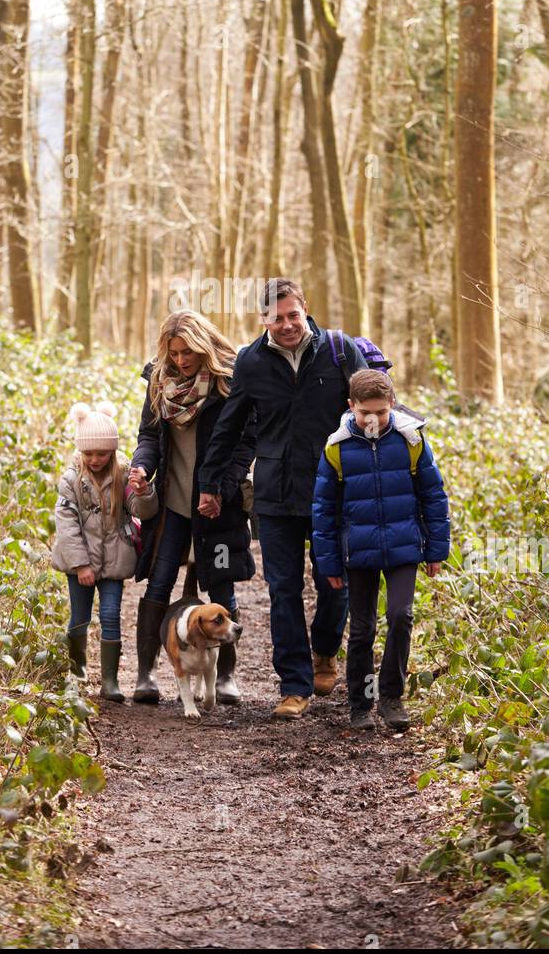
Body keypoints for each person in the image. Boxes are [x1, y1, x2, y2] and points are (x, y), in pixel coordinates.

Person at [197, 277, 367, 719]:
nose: (288, 324)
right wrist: (210, 483)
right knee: (283, 589)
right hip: (275, 493)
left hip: (334, 490)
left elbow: (374, 408)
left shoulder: (339, 350)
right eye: (277, 318)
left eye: (293, 315)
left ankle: (326, 649)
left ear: (305, 309)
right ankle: (294, 685)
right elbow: (230, 425)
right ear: (263, 320)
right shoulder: (251, 362)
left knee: (336, 580)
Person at [312, 368, 450, 731]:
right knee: (362, 628)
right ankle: (360, 703)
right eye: (364, 413)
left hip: (404, 545)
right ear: (350, 407)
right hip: (358, 551)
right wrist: (328, 562)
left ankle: (392, 696)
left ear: (392, 404)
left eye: (381, 412)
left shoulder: (411, 441)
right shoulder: (337, 447)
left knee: (401, 616)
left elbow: (433, 495)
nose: (373, 419)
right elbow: (324, 509)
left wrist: (436, 549)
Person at [129, 311, 256, 706]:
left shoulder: (230, 384)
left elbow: (245, 444)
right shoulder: (157, 382)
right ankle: (146, 673)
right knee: (158, 583)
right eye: (175, 353)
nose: (182, 361)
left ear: (204, 347)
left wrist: (222, 488)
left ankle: (225, 678)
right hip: (172, 505)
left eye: (189, 352)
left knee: (220, 585)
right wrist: (141, 466)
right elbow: (149, 437)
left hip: (217, 505)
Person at [51, 401, 159, 701]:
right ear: (80, 451)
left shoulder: (124, 475)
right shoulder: (72, 480)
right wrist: (80, 564)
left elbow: (142, 511)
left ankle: (110, 681)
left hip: (114, 558)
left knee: (111, 615)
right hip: (80, 564)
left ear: (112, 451)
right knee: (80, 617)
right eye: (89, 453)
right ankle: (77, 671)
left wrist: (144, 491)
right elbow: (67, 525)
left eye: (102, 453)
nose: (95, 459)